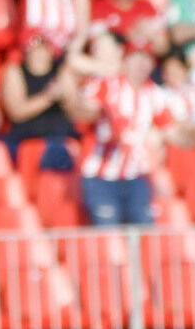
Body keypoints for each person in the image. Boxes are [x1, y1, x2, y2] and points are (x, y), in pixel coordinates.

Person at [68, 30, 160, 226]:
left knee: (145, 235)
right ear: (124, 60)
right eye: (135, 57)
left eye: (146, 58)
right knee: (107, 238)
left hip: (137, 175)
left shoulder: (153, 92)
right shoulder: (105, 85)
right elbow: (84, 111)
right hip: (101, 175)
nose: (141, 64)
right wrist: (99, 113)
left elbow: (171, 128)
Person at [0, 30, 80, 164]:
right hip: (25, 137)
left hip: (59, 136)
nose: (38, 52)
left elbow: (75, 109)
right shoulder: (15, 71)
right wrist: (48, 97)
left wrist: (66, 97)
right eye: (33, 47)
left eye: (42, 47)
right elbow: (16, 111)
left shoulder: (63, 70)